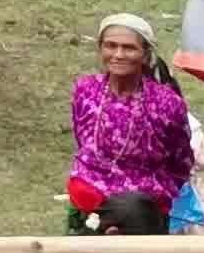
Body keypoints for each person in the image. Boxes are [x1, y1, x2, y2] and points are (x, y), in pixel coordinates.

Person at [65, 17, 195, 227]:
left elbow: (181, 160)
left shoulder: (166, 103)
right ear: (101, 49)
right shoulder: (85, 90)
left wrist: (153, 197)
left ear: (145, 54)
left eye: (129, 48)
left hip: (143, 211)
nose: (118, 55)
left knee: (135, 238)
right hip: (88, 200)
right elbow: (83, 141)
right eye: (111, 46)